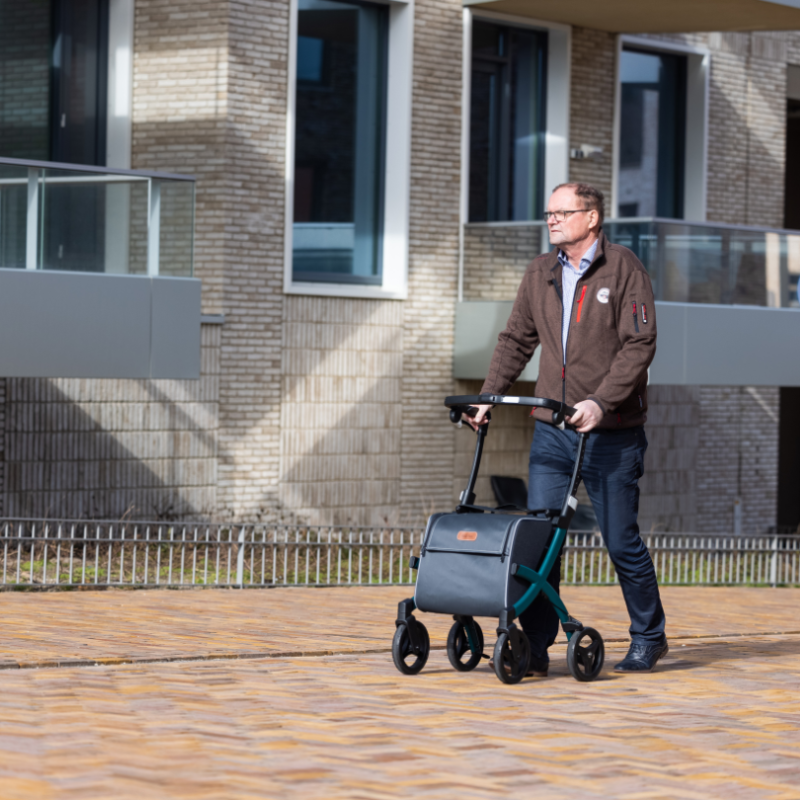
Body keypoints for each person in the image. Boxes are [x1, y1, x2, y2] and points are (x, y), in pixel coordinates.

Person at [469, 182, 667, 674]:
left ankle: (649, 636)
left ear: (593, 217)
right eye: (548, 212)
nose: (552, 219)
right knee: (541, 541)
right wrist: (488, 396)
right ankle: (537, 644)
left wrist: (602, 402)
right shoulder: (540, 272)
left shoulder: (624, 270)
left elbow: (639, 346)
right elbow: (516, 338)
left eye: (562, 211)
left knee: (621, 541)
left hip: (612, 433)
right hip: (553, 432)